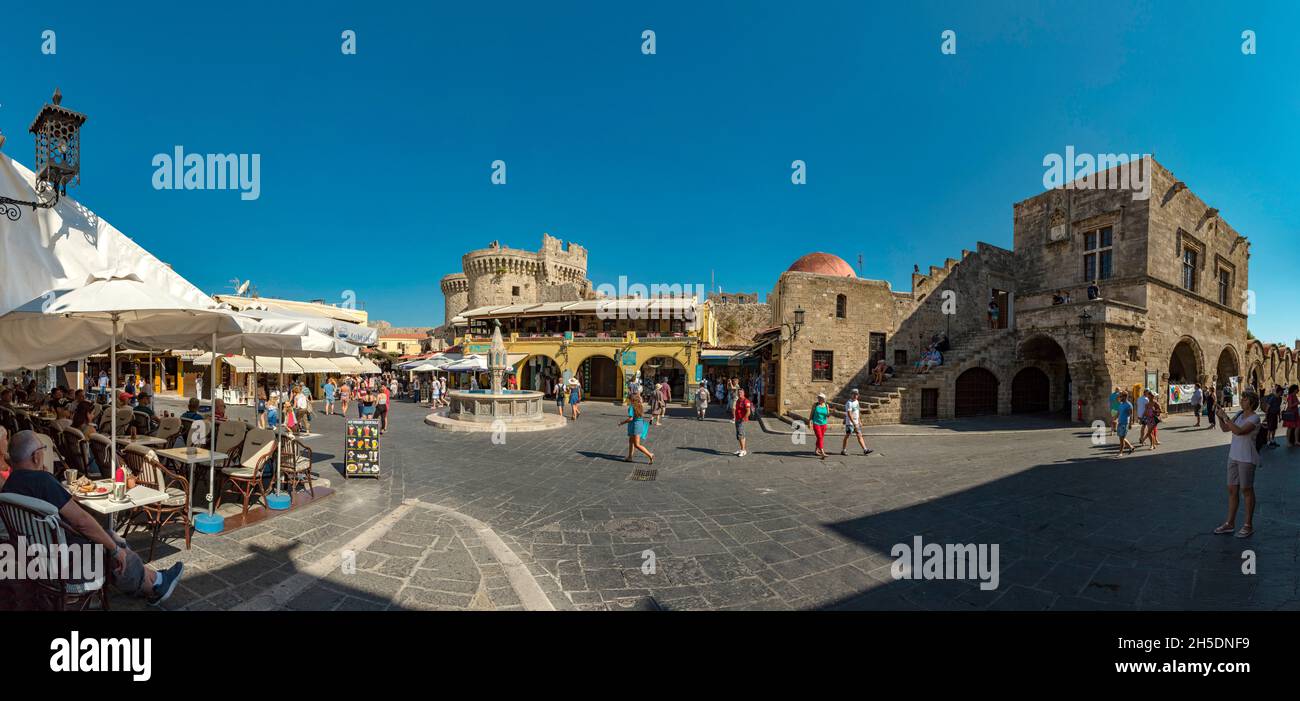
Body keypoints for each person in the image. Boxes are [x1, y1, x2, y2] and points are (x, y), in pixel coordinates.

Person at [2, 430, 184, 604]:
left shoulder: (9, 486)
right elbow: (81, 522)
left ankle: (154, 578)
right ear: (36, 456)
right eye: (43, 449)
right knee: (113, 544)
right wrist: (114, 550)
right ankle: (153, 588)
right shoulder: (42, 481)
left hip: (33, 560)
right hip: (63, 566)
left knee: (109, 537)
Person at [1215, 391, 1262, 538]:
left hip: (1247, 458)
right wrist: (1219, 416)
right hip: (1233, 456)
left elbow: (1239, 431)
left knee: (1246, 490)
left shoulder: (1255, 418)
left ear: (1252, 402)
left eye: (1244, 398)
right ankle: (1230, 523)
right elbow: (1225, 429)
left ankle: (1248, 525)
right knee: (1232, 490)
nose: (1241, 400)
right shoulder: (1239, 415)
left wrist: (1225, 417)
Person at [618, 393, 654, 464]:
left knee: (637, 445)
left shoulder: (632, 407)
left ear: (631, 400)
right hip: (639, 424)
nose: (628, 400)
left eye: (629, 399)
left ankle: (650, 454)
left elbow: (630, 418)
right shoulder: (640, 405)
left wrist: (622, 422)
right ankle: (630, 457)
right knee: (631, 441)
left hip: (635, 426)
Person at [840, 388, 872, 456]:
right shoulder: (849, 403)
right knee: (847, 436)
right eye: (854, 394)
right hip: (850, 423)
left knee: (859, 435)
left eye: (856, 394)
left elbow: (857, 412)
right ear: (851, 394)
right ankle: (843, 450)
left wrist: (859, 421)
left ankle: (865, 449)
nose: (855, 395)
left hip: (856, 423)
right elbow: (849, 414)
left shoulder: (857, 401)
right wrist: (854, 423)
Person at [1114, 390, 1136, 457]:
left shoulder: (1129, 405)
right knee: (1121, 437)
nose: (1120, 398)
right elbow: (1118, 412)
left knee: (1121, 438)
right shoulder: (1121, 404)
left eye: (1121, 396)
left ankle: (1120, 452)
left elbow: (1131, 415)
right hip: (1120, 422)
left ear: (1125, 396)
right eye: (1120, 396)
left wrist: (1130, 424)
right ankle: (1131, 447)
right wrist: (1115, 418)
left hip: (1125, 423)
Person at [810, 393, 831, 459]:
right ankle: (822, 452)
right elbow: (811, 413)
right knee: (820, 437)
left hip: (824, 424)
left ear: (823, 399)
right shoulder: (815, 405)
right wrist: (809, 422)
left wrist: (831, 413)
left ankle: (816, 450)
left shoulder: (826, 405)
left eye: (820, 398)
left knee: (820, 437)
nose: (818, 399)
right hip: (816, 423)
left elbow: (827, 416)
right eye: (818, 398)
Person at [732, 388, 752, 457]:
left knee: (741, 435)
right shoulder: (738, 400)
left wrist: (743, 419)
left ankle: (743, 450)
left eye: (741, 392)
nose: (739, 393)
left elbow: (748, 412)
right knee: (738, 435)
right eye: (739, 392)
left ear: (744, 393)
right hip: (737, 419)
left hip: (741, 420)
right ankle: (741, 449)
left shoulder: (746, 401)